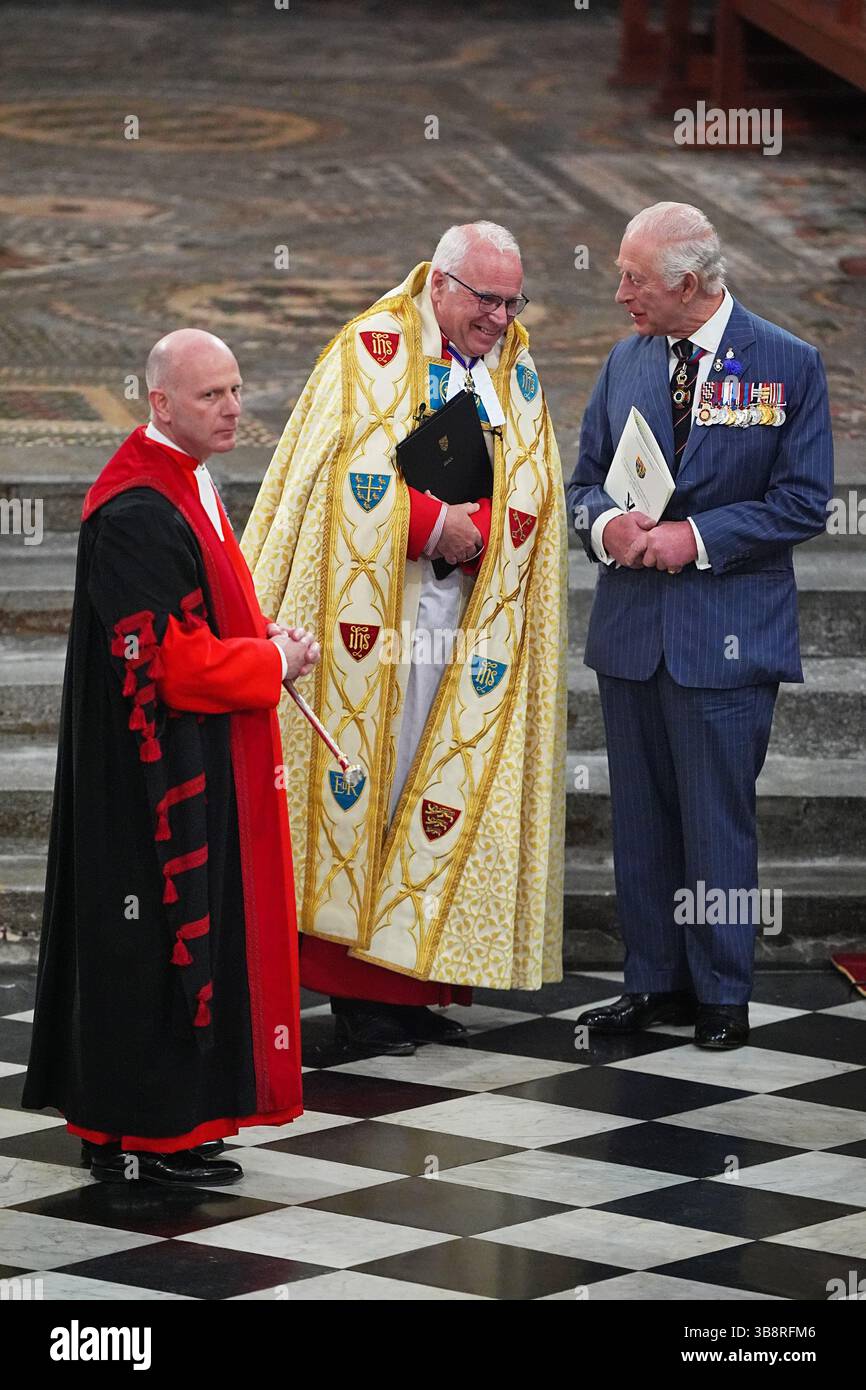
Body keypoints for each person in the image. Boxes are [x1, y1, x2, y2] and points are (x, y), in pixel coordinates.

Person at [242, 221, 568, 1055]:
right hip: (374, 620)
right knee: (371, 789)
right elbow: (336, 482)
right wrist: (432, 525)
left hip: (464, 626)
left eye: (511, 301)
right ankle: (361, 994)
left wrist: (488, 528)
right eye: (486, 301)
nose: (500, 318)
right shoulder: (369, 352)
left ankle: (412, 979)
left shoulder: (513, 368)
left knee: (437, 788)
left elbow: (535, 485)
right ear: (441, 285)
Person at [23, 329, 319, 1185]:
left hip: (195, 761)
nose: (233, 408)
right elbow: (168, 664)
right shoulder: (137, 511)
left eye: (234, 389)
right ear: (160, 404)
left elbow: (200, 615)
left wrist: (258, 634)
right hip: (150, 787)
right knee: (149, 943)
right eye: (210, 396)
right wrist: (275, 663)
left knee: (186, 939)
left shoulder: (185, 482)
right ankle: (145, 1132)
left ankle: (183, 1118)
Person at [566, 202, 833, 1049]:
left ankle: (722, 993)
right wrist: (609, 527)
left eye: (634, 279)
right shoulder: (626, 363)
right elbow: (584, 486)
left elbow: (803, 501)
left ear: (687, 283)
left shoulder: (788, 363)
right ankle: (653, 983)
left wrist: (697, 538)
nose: (620, 295)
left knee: (718, 821)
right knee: (640, 821)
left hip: (727, 635)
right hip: (634, 636)